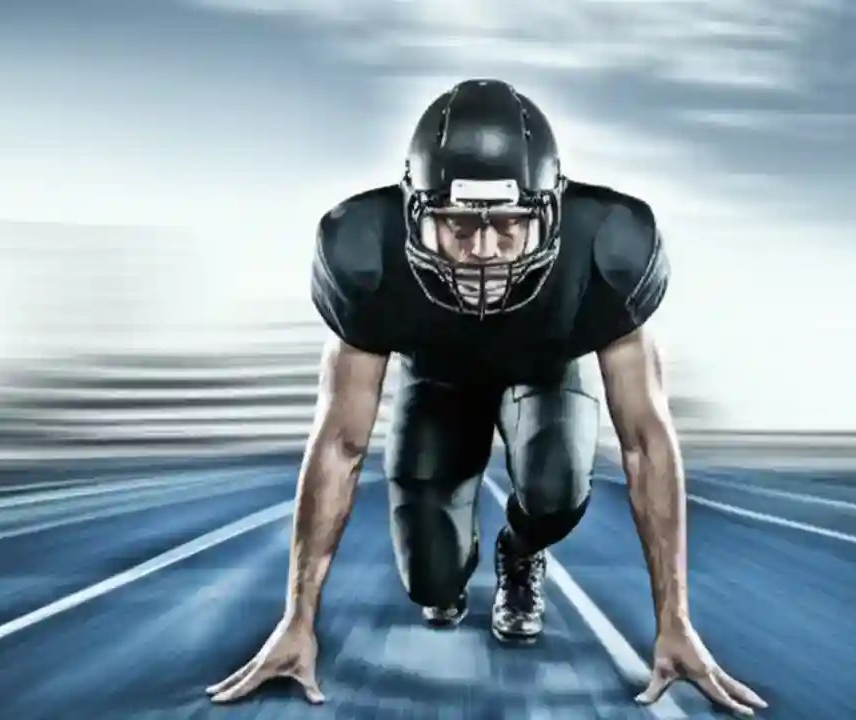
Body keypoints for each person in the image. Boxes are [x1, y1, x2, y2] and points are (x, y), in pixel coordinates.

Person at [207, 78, 767, 715]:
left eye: (507, 225)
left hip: (547, 371)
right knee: (432, 584)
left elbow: (645, 441)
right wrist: (297, 619)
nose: (483, 252)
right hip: (437, 382)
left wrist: (676, 621)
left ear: (550, 214)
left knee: (557, 490)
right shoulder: (363, 252)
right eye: (457, 225)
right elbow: (339, 443)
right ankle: (450, 570)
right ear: (416, 212)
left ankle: (520, 551)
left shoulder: (609, 250)